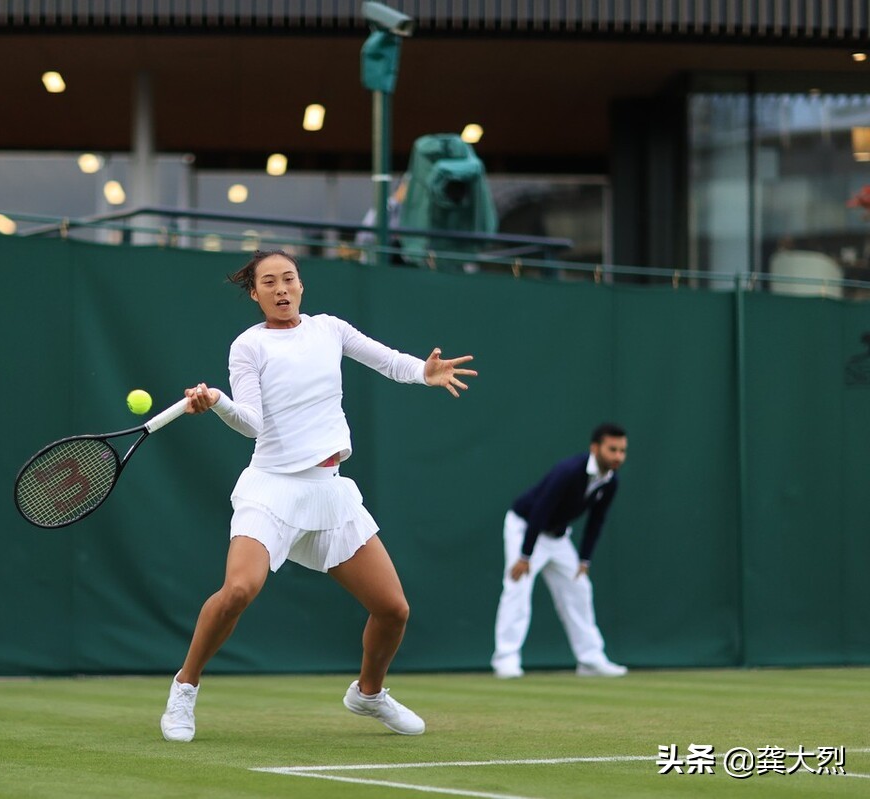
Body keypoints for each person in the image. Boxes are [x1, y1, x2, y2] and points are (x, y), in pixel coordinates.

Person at [159, 249, 477, 742]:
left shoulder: (330, 328)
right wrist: (219, 401)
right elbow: (252, 424)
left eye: (289, 279)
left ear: (301, 286)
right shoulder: (248, 346)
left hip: (329, 493)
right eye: (270, 282)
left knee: (393, 610)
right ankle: (184, 686)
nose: (281, 288)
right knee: (240, 590)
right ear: (255, 293)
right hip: (272, 490)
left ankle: (368, 694)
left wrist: (424, 372)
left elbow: (389, 361)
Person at [490, 423, 629, 679]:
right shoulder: (568, 471)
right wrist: (525, 555)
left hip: (558, 536)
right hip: (525, 528)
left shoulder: (611, 482)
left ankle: (590, 660)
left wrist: (584, 559)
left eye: (622, 451)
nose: (618, 456)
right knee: (517, 589)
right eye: (613, 450)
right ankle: (506, 659)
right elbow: (541, 510)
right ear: (595, 448)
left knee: (580, 589)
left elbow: (597, 521)